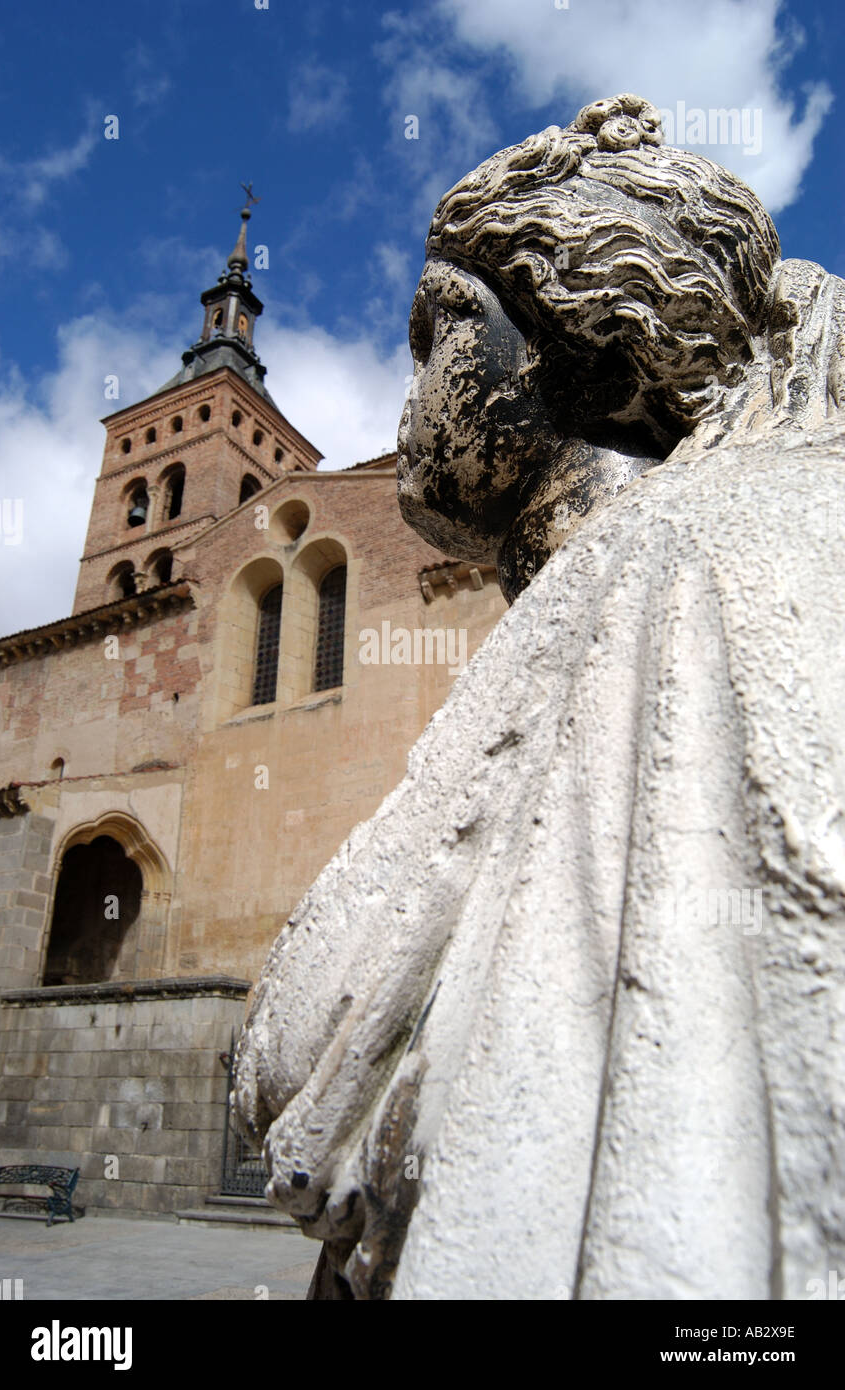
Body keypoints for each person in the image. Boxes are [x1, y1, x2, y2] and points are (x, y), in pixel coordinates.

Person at [235, 95, 845, 1300]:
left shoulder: (666, 565)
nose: (412, 387)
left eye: (440, 331)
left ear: (602, 347)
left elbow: (301, 1043)